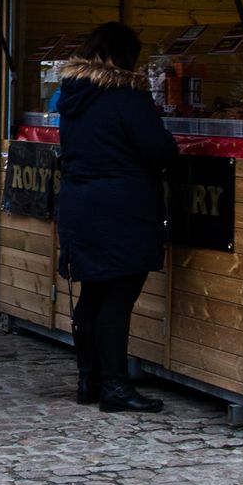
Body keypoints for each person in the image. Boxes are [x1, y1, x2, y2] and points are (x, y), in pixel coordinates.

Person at [55, 21, 181, 414]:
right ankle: (115, 385)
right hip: (122, 207)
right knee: (118, 296)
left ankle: (88, 379)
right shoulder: (127, 96)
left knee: (93, 293)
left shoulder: (73, 95)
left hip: (78, 203)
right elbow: (159, 149)